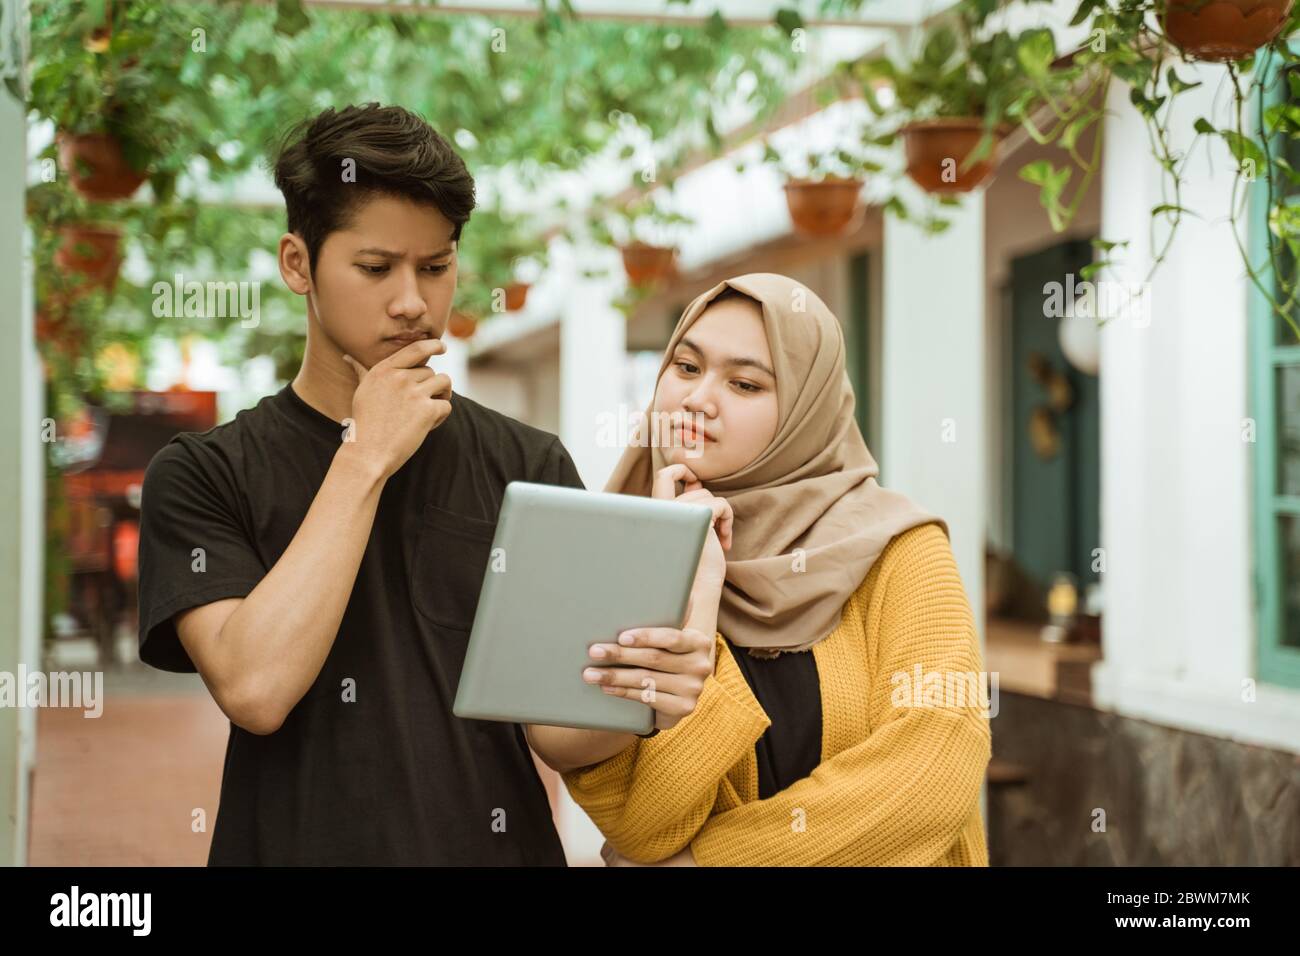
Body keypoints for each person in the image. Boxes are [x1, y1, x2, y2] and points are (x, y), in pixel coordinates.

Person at [136, 103, 588, 865]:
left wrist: (643, 692)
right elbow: (255, 689)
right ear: (297, 264)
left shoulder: (529, 467)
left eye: (436, 267)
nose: (412, 301)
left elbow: (564, 737)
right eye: (376, 268)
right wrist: (364, 457)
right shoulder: (202, 473)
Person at [531, 273, 992, 866]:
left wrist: (706, 864)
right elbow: (639, 824)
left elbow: (934, 767)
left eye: (745, 383)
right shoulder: (622, 553)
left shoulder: (897, 547)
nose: (699, 399)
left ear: (807, 407)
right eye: (687, 367)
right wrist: (692, 587)